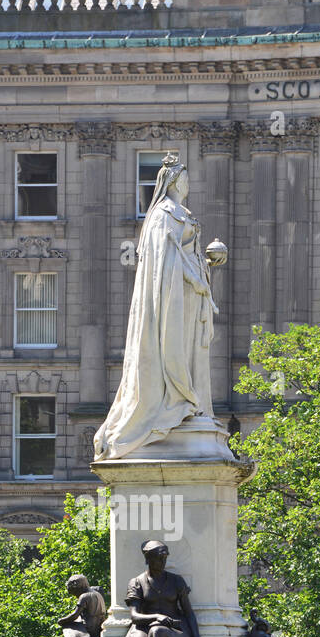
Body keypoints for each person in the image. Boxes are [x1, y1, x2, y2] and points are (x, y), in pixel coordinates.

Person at [94, 152, 221, 462]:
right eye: (186, 176)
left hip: (190, 297)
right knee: (172, 350)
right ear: (174, 180)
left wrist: (207, 265)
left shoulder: (183, 213)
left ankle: (190, 404)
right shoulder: (163, 214)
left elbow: (185, 256)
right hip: (173, 299)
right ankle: (174, 402)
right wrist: (195, 276)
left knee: (192, 354)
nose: (190, 181)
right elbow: (167, 261)